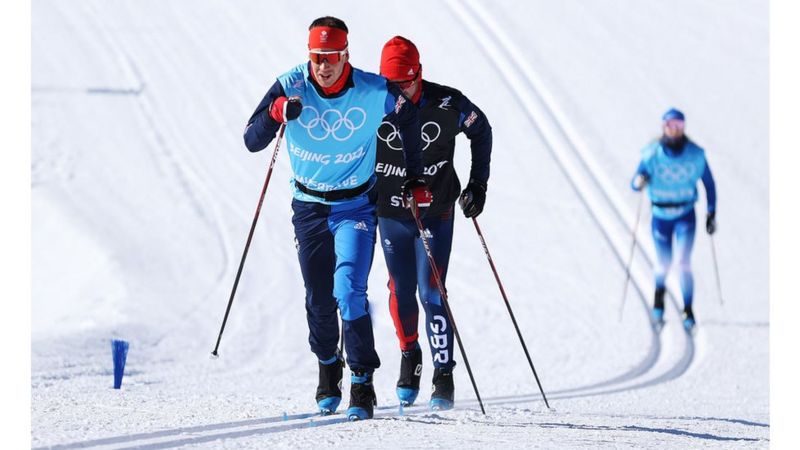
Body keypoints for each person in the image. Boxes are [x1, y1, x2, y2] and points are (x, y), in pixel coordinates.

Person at [243, 18, 431, 421]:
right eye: (316, 57)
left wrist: (414, 175)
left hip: (355, 207)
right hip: (309, 208)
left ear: (345, 55)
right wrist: (276, 112)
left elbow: (410, 119)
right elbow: (251, 139)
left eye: (330, 57)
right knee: (319, 298)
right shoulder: (291, 85)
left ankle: (362, 381)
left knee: (349, 290)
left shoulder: (372, 90)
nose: (323, 66)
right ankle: (329, 365)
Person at [374, 36, 492, 410]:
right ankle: (410, 354)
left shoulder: (446, 102)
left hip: (436, 212)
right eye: (392, 85)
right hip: (391, 214)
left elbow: (482, 130)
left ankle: (444, 372)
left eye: (406, 84)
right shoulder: (371, 102)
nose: (400, 94)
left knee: (432, 291)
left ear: (419, 75)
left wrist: (477, 185)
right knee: (400, 291)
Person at [630, 108, 716, 332]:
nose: (674, 130)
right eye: (670, 125)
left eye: (679, 125)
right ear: (663, 127)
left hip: (685, 215)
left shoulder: (695, 155)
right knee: (664, 262)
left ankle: (688, 309)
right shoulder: (651, 154)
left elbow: (709, 184)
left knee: (683, 262)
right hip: (660, 216)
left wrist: (711, 212)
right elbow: (635, 180)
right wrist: (640, 180)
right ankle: (658, 298)